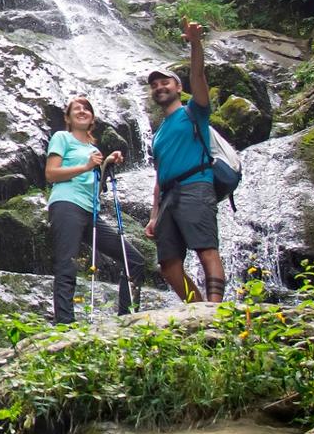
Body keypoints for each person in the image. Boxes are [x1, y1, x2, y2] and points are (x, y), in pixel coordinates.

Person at [144, 20, 226, 304]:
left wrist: (195, 43)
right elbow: (158, 175)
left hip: (196, 187)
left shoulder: (194, 112)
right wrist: (154, 214)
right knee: (169, 265)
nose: (159, 87)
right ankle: (198, 308)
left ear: (178, 87)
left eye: (164, 82)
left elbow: (200, 75)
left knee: (206, 250)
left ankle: (216, 311)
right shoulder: (159, 133)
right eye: (154, 85)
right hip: (168, 196)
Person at [45, 95, 144, 323]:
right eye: (76, 109)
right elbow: (51, 174)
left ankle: (126, 319)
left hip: (90, 211)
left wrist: (106, 162)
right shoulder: (62, 138)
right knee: (66, 264)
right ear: (68, 118)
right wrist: (87, 165)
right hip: (66, 204)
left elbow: (94, 189)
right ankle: (64, 325)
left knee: (134, 260)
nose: (82, 111)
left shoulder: (93, 149)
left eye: (86, 108)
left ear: (92, 119)